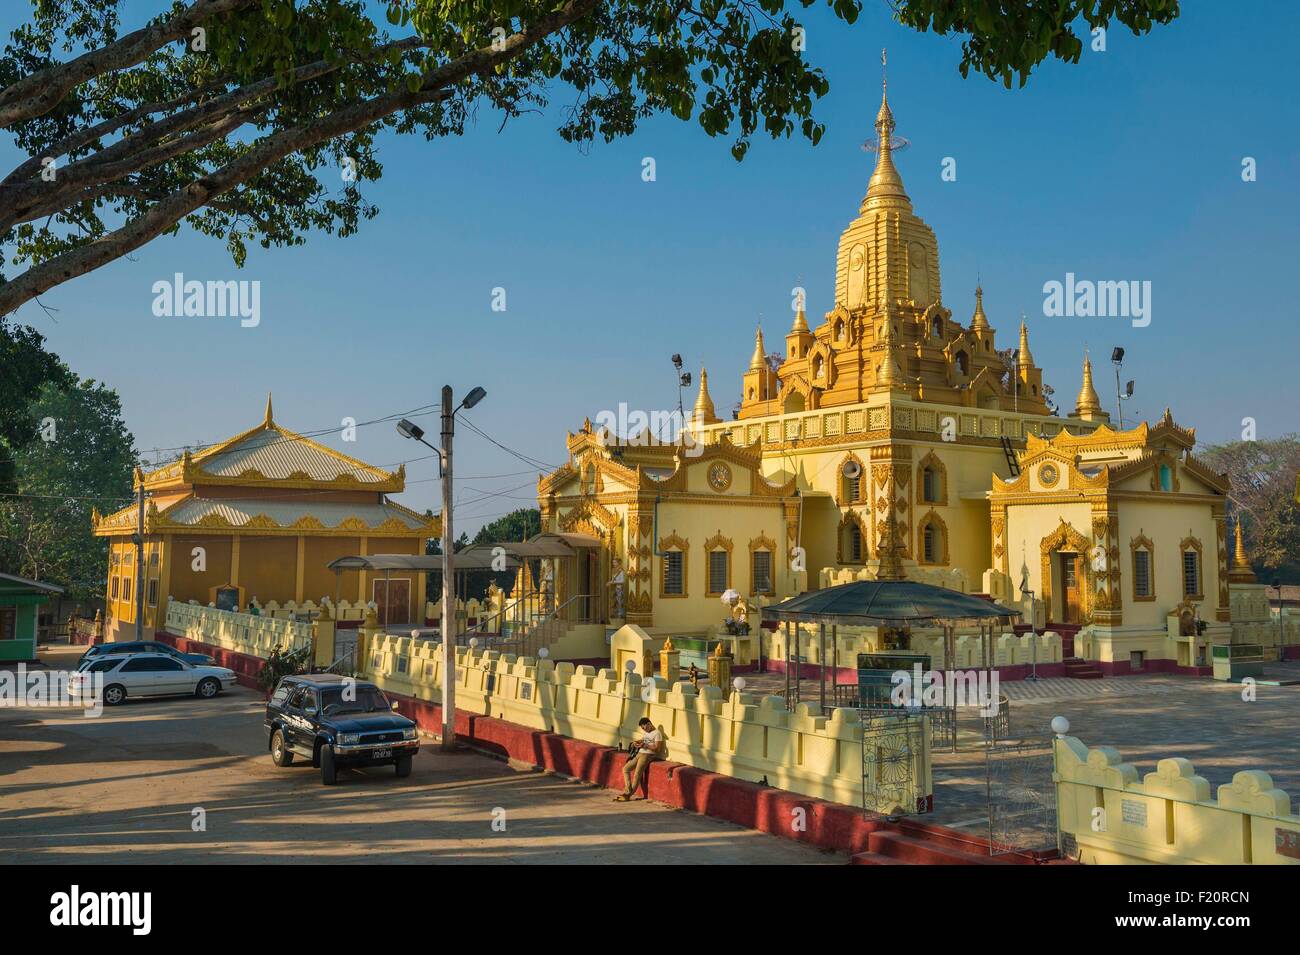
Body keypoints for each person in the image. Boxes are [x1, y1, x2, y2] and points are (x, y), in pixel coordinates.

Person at [614, 717, 663, 801]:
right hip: (639, 753)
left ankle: (628, 795)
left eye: (645, 728)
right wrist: (636, 742)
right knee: (626, 769)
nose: (644, 730)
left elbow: (657, 748)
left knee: (637, 774)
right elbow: (644, 740)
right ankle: (628, 790)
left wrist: (645, 746)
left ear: (649, 724)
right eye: (643, 729)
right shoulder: (647, 733)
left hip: (647, 755)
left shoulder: (657, 733)